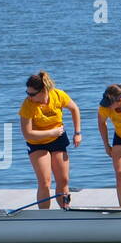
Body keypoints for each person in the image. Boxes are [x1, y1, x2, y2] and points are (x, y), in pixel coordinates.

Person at [18, 71, 82, 209]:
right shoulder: (27, 105)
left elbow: (74, 109)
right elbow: (27, 134)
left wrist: (77, 132)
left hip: (58, 140)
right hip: (37, 143)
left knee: (63, 180)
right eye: (27, 93)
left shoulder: (58, 95)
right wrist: (51, 132)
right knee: (45, 182)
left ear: (44, 91)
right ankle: (44, 215)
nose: (29, 97)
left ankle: (66, 209)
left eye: (32, 94)